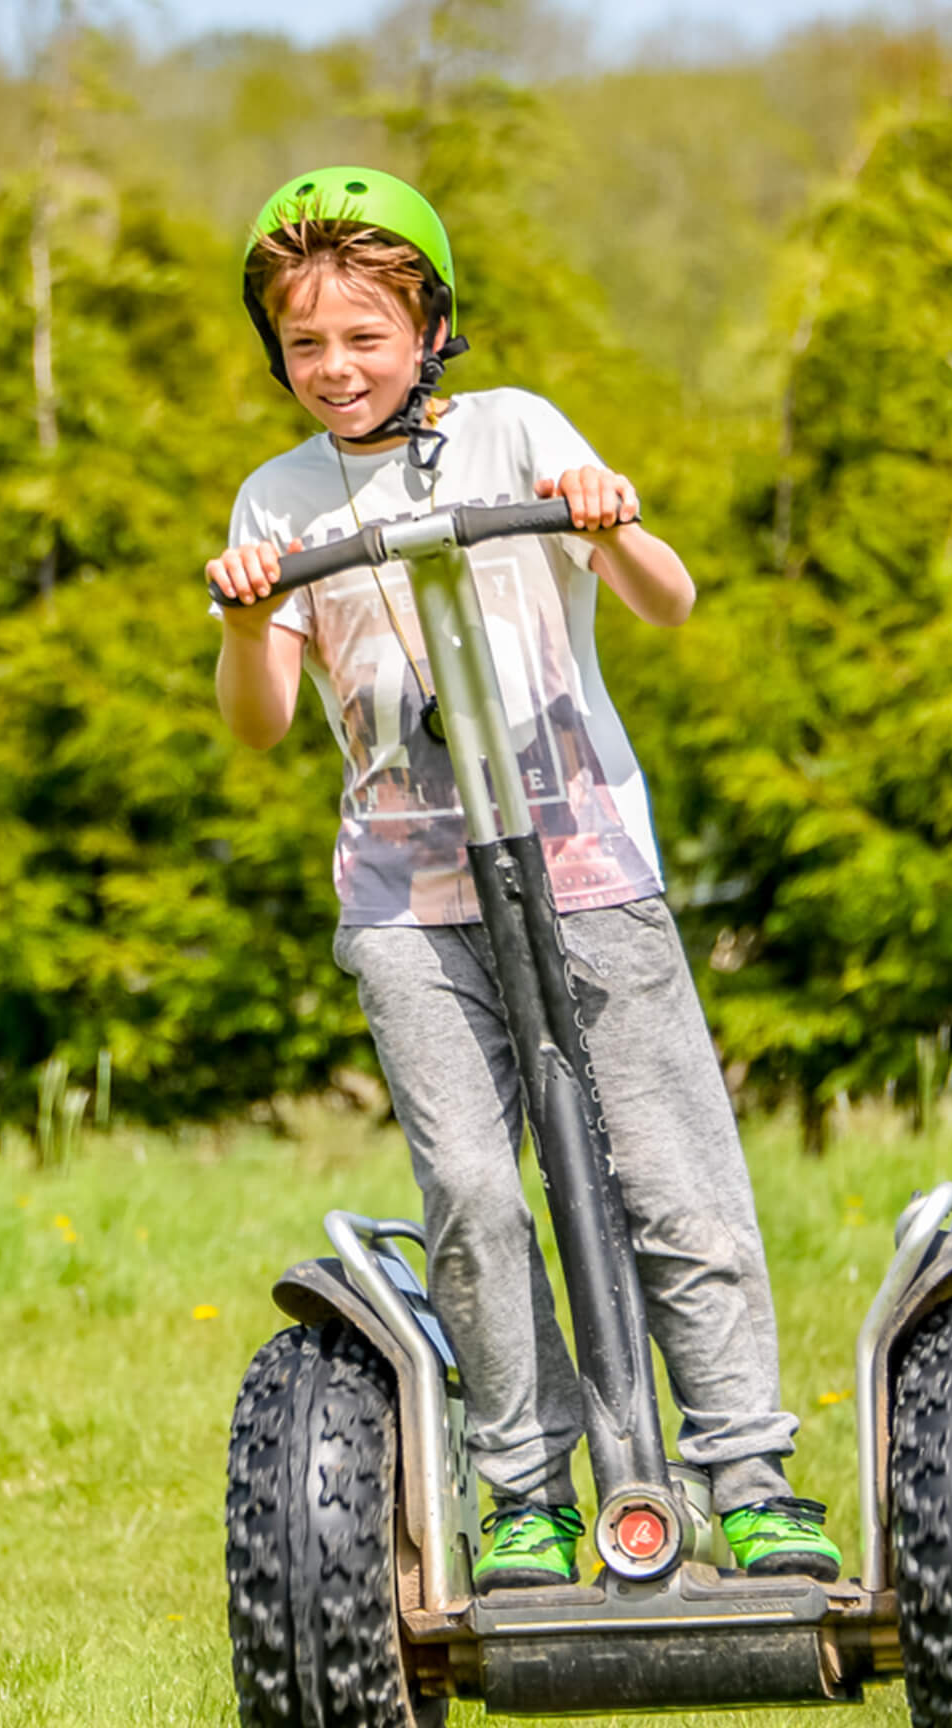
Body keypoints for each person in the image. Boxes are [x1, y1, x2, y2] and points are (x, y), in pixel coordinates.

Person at [206, 167, 840, 1591]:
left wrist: (604, 520)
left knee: (673, 1178)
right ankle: (528, 1494)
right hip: (407, 904)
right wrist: (250, 621)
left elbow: (666, 600)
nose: (335, 369)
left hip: (587, 866)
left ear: (432, 327)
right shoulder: (280, 497)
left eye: (365, 336)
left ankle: (746, 1475)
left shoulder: (516, 430)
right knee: (479, 1202)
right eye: (306, 345)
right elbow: (256, 723)